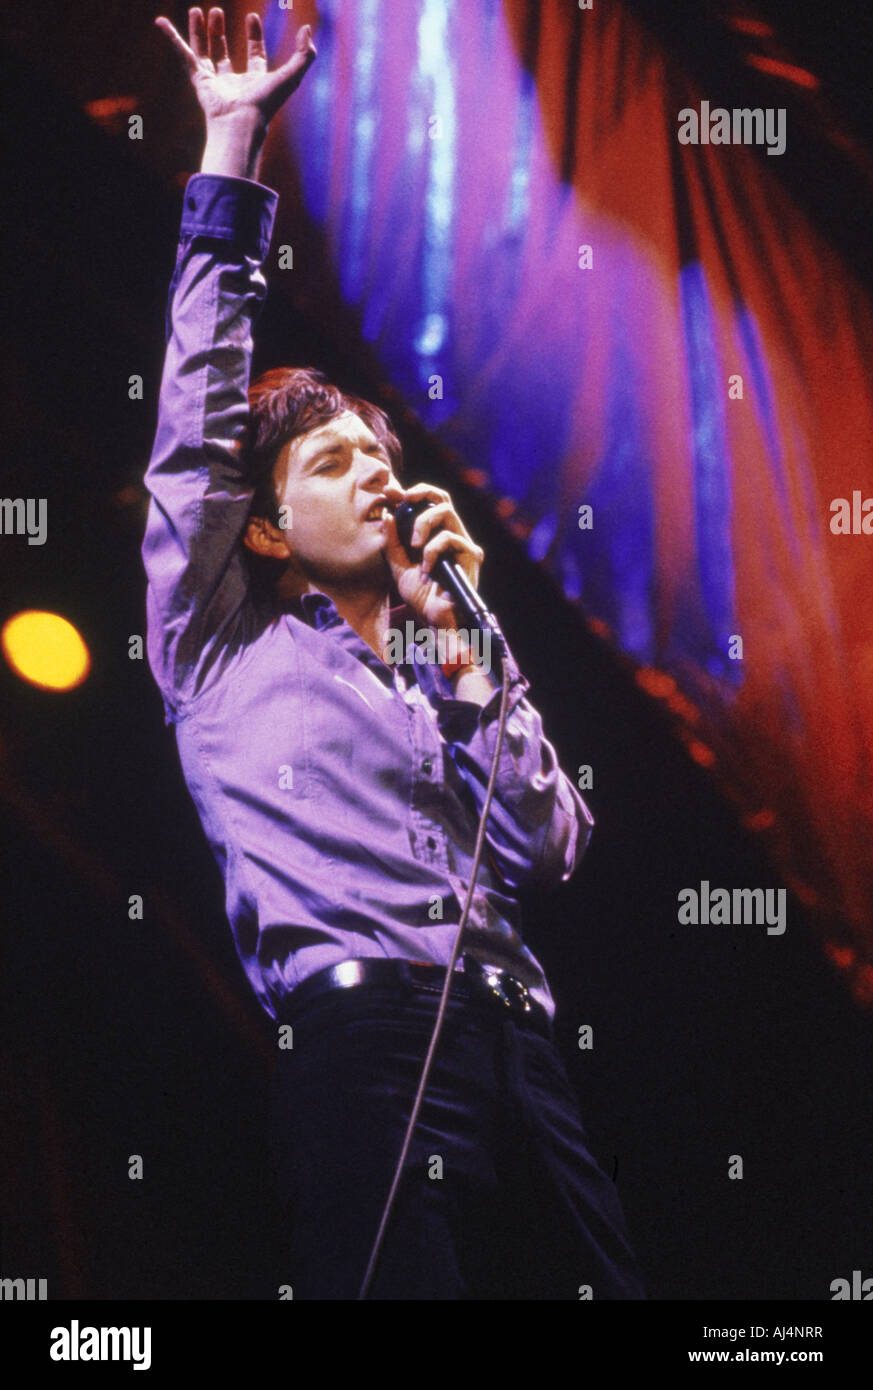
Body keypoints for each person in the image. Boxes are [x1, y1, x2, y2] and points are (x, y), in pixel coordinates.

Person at [144, 6, 646, 1300]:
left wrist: (463, 635)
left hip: (524, 1053)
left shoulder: (444, 648)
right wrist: (232, 147)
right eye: (330, 462)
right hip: (365, 1049)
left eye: (380, 455)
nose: (374, 475)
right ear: (264, 522)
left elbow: (555, 843)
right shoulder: (217, 641)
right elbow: (199, 419)